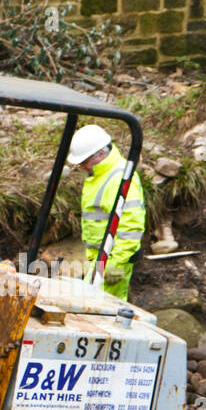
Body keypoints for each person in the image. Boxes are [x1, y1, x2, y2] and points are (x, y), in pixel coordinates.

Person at [67, 124, 146, 302]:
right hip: (100, 260)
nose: (81, 167)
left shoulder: (120, 177)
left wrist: (115, 265)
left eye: (84, 162)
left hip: (112, 262)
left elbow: (131, 228)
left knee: (104, 311)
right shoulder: (101, 175)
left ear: (100, 154)